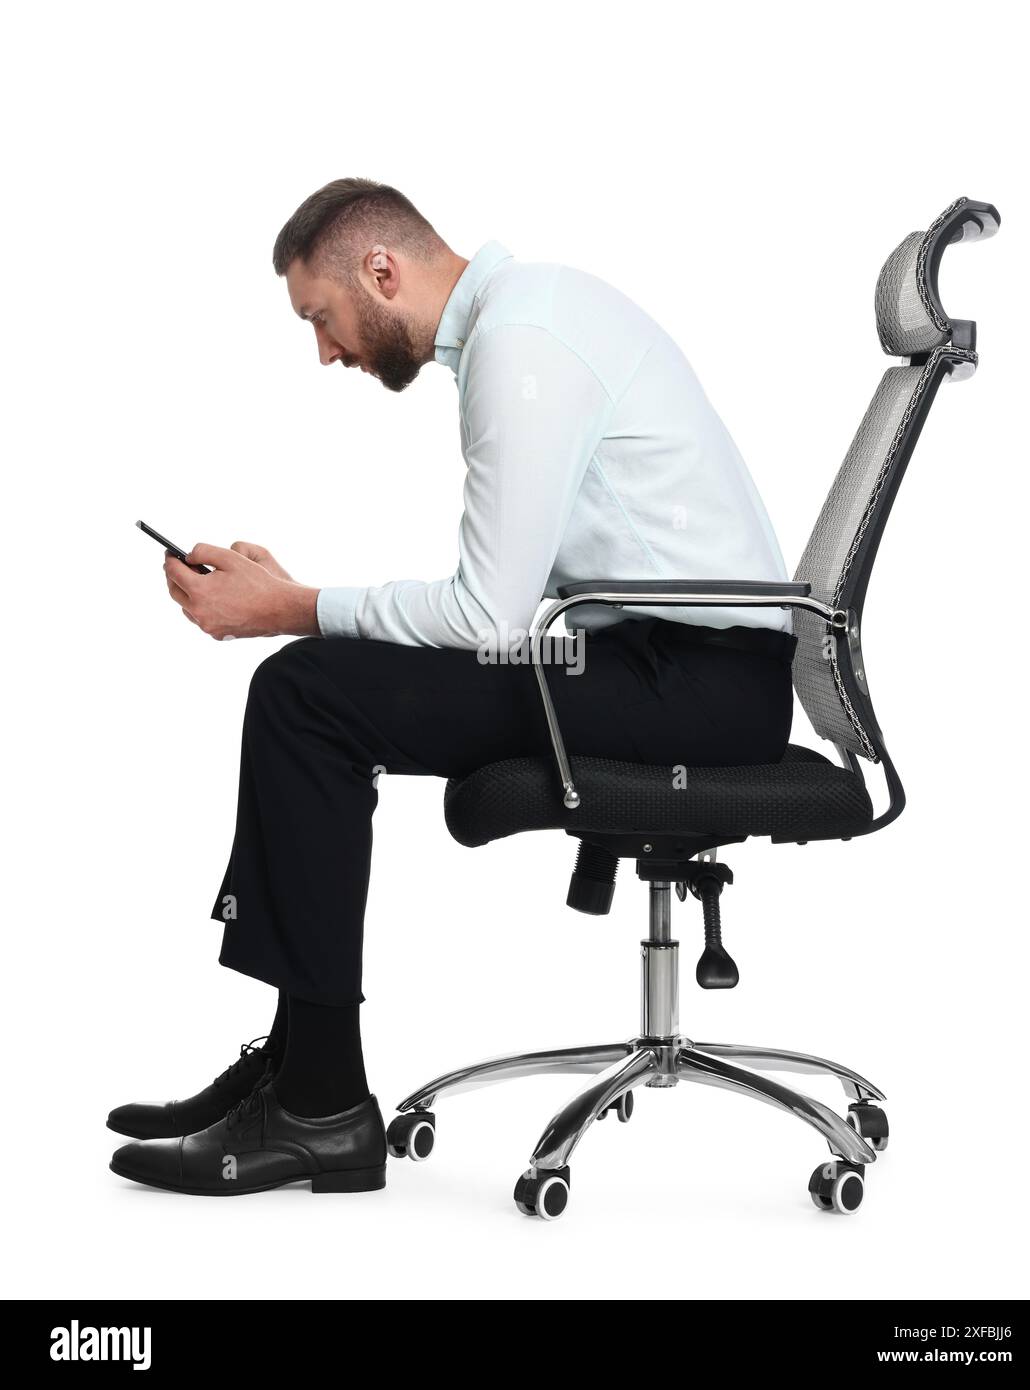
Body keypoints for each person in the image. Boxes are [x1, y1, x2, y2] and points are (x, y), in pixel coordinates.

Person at [107, 178, 796, 1196]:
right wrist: (301, 607)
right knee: (313, 685)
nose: (327, 351)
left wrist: (291, 603)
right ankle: (303, 1068)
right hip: (653, 658)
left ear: (380, 273)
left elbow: (485, 621)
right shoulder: (521, 325)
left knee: (307, 693)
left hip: (693, 680)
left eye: (323, 317)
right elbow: (505, 612)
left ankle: (321, 1104)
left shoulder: (522, 344)